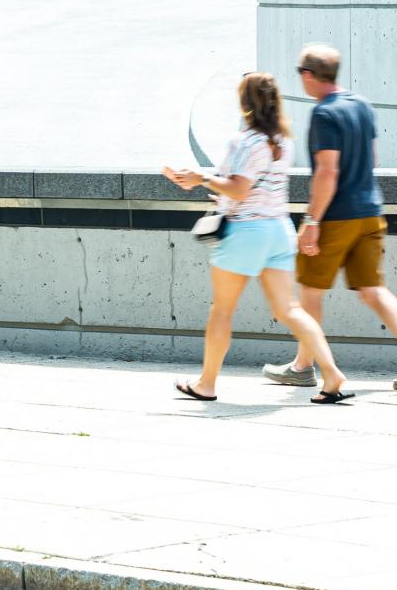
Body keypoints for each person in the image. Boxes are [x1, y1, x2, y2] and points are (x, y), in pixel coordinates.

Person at [164, 72, 351, 404]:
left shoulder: (245, 141)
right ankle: (332, 373)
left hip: (247, 232)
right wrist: (216, 190)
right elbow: (254, 187)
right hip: (279, 230)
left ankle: (206, 384)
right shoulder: (283, 142)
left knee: (222, 310)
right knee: (290, 309)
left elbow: (239, 188)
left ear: (245, 103)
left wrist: (201, 177)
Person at [263, 44, 397, 389]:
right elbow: (371, 159)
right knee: (374, 291)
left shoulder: (325, 114)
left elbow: (327, 172)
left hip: (336, 217)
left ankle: (304, 367)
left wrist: (312, 222)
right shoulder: (362, 106)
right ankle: (303, 364)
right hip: (370, 211)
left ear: (308, 75)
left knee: (310, 293)